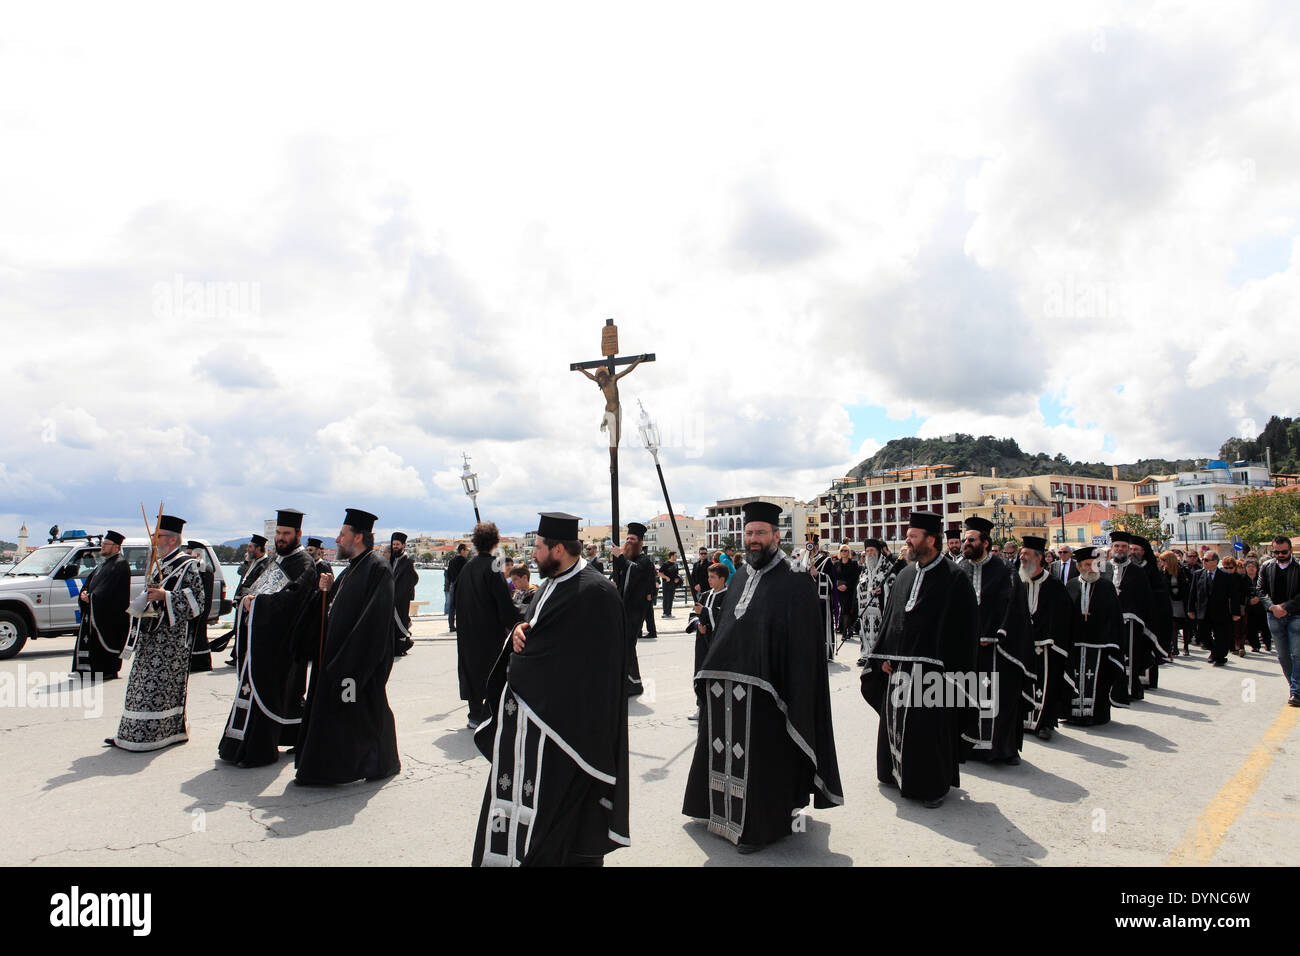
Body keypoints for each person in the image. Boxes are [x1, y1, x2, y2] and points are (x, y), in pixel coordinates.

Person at [683, 501, 842, 852]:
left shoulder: (796, 579)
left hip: (772, 696)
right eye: (749, 533)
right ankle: (716, 812)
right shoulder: (740, 576)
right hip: (729, 686)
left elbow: (802, 648)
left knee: (761, 761)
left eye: (760, 533)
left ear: (777, 535)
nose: (753, 539)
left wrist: (779, 681)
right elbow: (731, 630)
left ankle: (760, 826)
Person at [473, 513, 629, 866]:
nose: (535, 555)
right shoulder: (550, 582)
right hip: (534, 725)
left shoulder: (596, 592)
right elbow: (537, 633)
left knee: (558, 830)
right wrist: (517, 632)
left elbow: (597, 670)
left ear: (558, 549)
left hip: (566, 736)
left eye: (539, 548)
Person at [861, 511, 978, 808]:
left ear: (931, 539)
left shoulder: (955, 578)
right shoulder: (905, 574)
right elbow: (892, 619)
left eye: (913, 536)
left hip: (934, 673)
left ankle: (931, 786)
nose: (908, 541)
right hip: (898, 668)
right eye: (908, 536)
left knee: (928, 732)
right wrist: (883, 657)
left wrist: (951, 671)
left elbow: (963, 630)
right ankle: (893, 773)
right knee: (895, 723)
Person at [295, 508, 400, 785]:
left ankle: (378, 764)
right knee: (361, 714)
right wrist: (326, 591)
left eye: (343, 535)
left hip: (358, 662)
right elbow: (335, 608)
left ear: (358, 537)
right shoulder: (353, 567)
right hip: (339, 660)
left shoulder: (378, 567)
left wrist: (349, 662)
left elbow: (373, 621)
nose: (337, 539)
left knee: (366, 711)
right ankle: (369, 764)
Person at [219, 509, 319, 767]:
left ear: (298, 534)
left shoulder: (304, 564)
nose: (281, 538)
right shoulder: (278, 561)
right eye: (278, 533)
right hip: (262, 638)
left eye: (286, 534)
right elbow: (260, 588)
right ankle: (239, 746)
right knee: (255, 692)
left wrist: (259, 604)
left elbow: (293, 600)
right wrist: (248, 601)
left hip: (284, 643)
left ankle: (259, 750)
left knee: (273, 694)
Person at [107, 515, 205, 751]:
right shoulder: (159, 562)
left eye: (157, 536)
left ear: (171, 540)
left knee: (159, 688)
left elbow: (197, 602)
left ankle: (159, 734)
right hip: (150, 635)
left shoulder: (187, 564)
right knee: (139, 685)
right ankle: (131, 732)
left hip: (170, 641)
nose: (154, 539)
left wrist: (166, 597)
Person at [956, 517, 1028, 763]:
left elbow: (1012, 607)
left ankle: (1002, 749)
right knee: (965, 696)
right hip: (967, 646)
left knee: (1002, 698)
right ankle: (968, 746)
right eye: (965, 539)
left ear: (985, 542)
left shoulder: (1004, 569)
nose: (966, 543)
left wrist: (995, 633)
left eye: (971, 539)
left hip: (998, 648)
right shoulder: (960, 568)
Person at [455, 522, 523, 729]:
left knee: (471, 670)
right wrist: (518, 621)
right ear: (495, 542)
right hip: (488, 632)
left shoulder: (467, 568)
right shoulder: (493, 567)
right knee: (491, 671)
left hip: (467, 630)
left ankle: (474, 713)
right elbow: (503, 603)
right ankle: (491, 715)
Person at [1011, 536, 1073, 742]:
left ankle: (1044, 723)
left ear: (1038, 558)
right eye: (1021, 554)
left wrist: (1047, 636)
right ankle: (1021, 721)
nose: (1022, 557)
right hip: (1021, 644)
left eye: (1026, 554)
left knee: (1046, 685)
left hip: (1046, 647)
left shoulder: (1054, 585)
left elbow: (1063, 617)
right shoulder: (1017, 581)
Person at [1063, 546, 1124, 726]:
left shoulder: (1106, 586)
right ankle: (1073, 714)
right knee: (1074, 678)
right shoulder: (1071, 585)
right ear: (1079, 567)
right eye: (1087, 565)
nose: (1091, 568)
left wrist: (1113, 642)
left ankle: (1096, 715)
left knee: (1099, 679)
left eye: (1094, 564)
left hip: (1100, 644)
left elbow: (1114, 616)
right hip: (1075, 643)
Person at [72, 530, 131, 680]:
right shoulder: (102, 565)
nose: (102, 547)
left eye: (106, 544)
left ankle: (106, 671)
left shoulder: (120, 564)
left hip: (110, 616)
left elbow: (108, 589)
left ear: (116, 547)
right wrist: (84, 594)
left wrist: (92, 597)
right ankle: (88, 670)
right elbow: (90, 583)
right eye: (102, 544)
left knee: (104, 644)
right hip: (95, 611)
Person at [1108, 531, 1157, 700]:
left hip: (1131, 622)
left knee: (1131, 657)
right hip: (1109, 622)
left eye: (1123, 546)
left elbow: (1146, 598)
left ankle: (1130, 689)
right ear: (1111, 548)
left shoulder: (1137, 571)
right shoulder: (1104, 569)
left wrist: (1142, 621)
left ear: (1128, 549)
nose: (1120, 549)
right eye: (1117, 546)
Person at [612, 522, 656, 696]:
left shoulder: (644, 560)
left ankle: (634, 684)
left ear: (639, 542)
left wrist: (620, 559)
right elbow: (620, 576)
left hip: (635, 610)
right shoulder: (625, 559)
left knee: (628, 644)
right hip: (623, 608)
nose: (629, 541)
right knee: (626, 646)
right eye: (628, 538)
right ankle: (632, 681)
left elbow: (635, 573)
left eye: (633, 539)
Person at [212, 533, 270, 659]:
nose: (248, 549)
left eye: (250, 547)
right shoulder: (252, 562)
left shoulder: (264, 564)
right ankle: (237, 655)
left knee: (246, 631)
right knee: (239, 630)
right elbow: (240, 572)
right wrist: (245, 561)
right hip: (241, 601)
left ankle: (243, 655)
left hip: (250, 602)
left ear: (258, 549)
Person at [1258, 537, 1300, 705]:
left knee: (1297, 654)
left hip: (1296, 615)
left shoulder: (1298, 567)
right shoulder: (1266, 567)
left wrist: (1286, 607)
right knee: (1283, 656)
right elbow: (1260, 590)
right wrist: (1273, 607)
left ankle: (1296, 691)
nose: (1280, 555)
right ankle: (1294, 687)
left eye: (1284, 552)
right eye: (1276, 552)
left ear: (1290, 551)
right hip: (1274, 615)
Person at [686, 563, 729, 722]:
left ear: (722, 579)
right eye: (708, 577)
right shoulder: (704, 595)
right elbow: (693, 614)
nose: (709, 580)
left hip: (717, 644)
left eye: (712, 577)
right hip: (702, 642)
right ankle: (701, 706)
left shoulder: (728, 596)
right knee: (700, 673)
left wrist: (705, 611)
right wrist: (698, 624)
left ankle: (718, 708)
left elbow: (724, 617)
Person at [1188, 550, 1240, 668]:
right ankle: (1214, 650)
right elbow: (1192, 593)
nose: (1203, 562)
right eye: (1203, 559)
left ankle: (1219, 657)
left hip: (1221, 612)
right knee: (1202, 635)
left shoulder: (1226, 576)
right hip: (1203, 612)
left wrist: (1236, 612)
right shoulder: (1198, 574)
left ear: (1215, 562)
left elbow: (1234, 595)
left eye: (1206, 560)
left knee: (1222, 636)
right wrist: (1190, 609)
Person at [855, 539, 897, 666]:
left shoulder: (888, 567)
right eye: (867, 551)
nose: (869, 553)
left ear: (878, 552)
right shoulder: (865, 569)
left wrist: (883, 590)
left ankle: (879, 654)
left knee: (880, 631)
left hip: (880, 609)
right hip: (865, 609)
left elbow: (893, 584)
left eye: (872, 550)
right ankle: (866, 654)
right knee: (865, 632)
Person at [185, 540, 213, 673]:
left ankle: (202, 662)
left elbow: (206, 593)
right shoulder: (193, 567)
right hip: (193, 607)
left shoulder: (205, 568)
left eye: (190, 553)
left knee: (200, 635)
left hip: (201, 608)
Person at [389, 531, 419, 657]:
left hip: (401, 600)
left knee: (401, 624)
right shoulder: (391, 559)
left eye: (397, 544)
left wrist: (404, 592)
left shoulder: (407, 562)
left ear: (403, 545)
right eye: (393, 544)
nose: (395, 546)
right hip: (391, 598)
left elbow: (414, 579)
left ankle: (402, 646)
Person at [1161, 549, 1195, 656]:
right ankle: (1174, 648)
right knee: (1173, 625)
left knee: (1185, 624)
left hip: (1182, 601)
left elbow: (1190, 586)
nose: (1162, 562)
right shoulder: (1163, 571)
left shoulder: (1182, 570)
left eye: (1164, 560)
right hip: (1170, 601)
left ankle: (1186, 647)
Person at [811, 546, 837, 661]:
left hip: (821, 602)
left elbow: (832, 582)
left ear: (816, 546)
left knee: (822, 625)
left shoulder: (826, 561)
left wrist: (818, 575)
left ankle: (824, 652)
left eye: (810, 544)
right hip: (806, 601)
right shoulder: (802, 561)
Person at [1242, 557, 1268, 653]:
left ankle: (1267, 643)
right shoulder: (1242, 579)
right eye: (1249, 566)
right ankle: (1255, 645)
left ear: (1257, 568)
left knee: (1264, 626)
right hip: (1249, 606)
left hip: (1261, 605)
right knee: (1251, 627)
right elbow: (1240, 593)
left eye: (1253, 566)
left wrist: (1259, 598)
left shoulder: (1262, 578)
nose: (1251, 568)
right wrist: (1248, 600)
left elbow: (1266, 590)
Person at [836, 545, 860, 645]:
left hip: (849, 590)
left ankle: (846, 631)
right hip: (839, 590)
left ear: (849, 552)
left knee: (847, 610)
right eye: (842, 550)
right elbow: (834, 576)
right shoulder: (836, 564)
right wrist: (837, 585)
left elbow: (855, 577)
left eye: (846, 550)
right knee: (844, 609)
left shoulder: (853, 563)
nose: (844, 552)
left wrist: (846, 585)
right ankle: (846, 630)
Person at [445, 543, 468, 632]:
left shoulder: (451, 561)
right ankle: (461, 625)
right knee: (461, 606)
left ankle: (451, 626)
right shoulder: (464, 561)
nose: (467, 552)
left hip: (453, 585)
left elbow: (448, 574)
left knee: (452, 606)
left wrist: (452, 581)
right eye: (466, 550)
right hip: (462, 585)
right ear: (462, 550)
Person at [658, 550, 682, 619]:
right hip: (666, 583)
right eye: (675, 556)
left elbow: (676, 574)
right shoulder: (665, 564)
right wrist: (666, 577)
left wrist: (677, 579)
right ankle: (665, 613)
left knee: (671, 598)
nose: (676, 557)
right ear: (671, 556)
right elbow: (659, 573)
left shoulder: (675, 564)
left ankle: (669, 613)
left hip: (673, 584)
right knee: (666, 598)